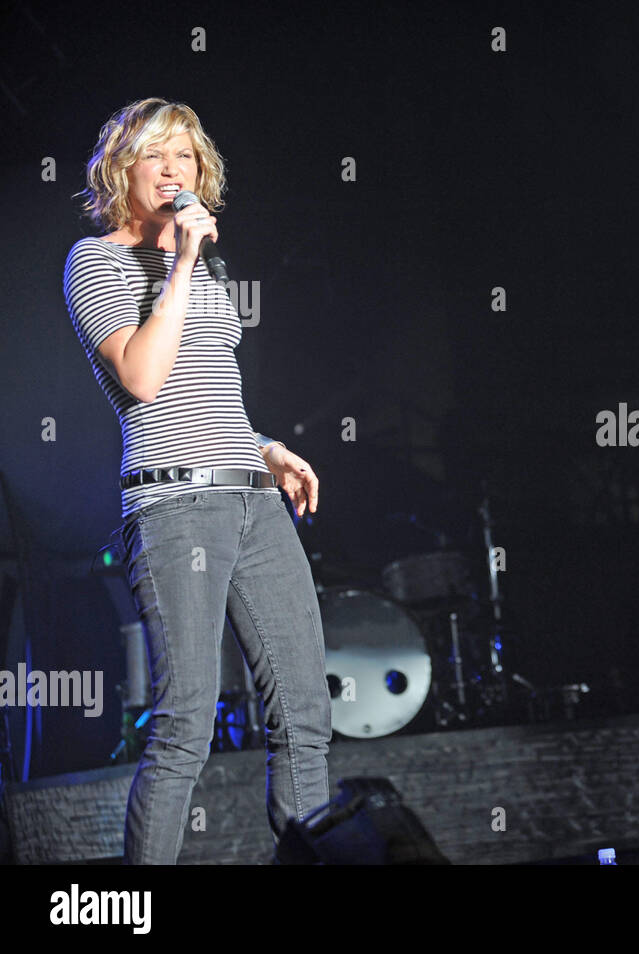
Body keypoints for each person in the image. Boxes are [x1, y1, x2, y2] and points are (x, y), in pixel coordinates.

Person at [63, 98, 331, 863]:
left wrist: (267, 446)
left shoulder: (207, 269)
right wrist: (179, 262)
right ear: (123, 170)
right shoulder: (97, 262)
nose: (173, 169)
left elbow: (208, 391)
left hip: (251, 494)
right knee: (186, 721)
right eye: (155, 155)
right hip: (175, 508)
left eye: (185, 156)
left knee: (304, 711)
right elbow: (145, 379)